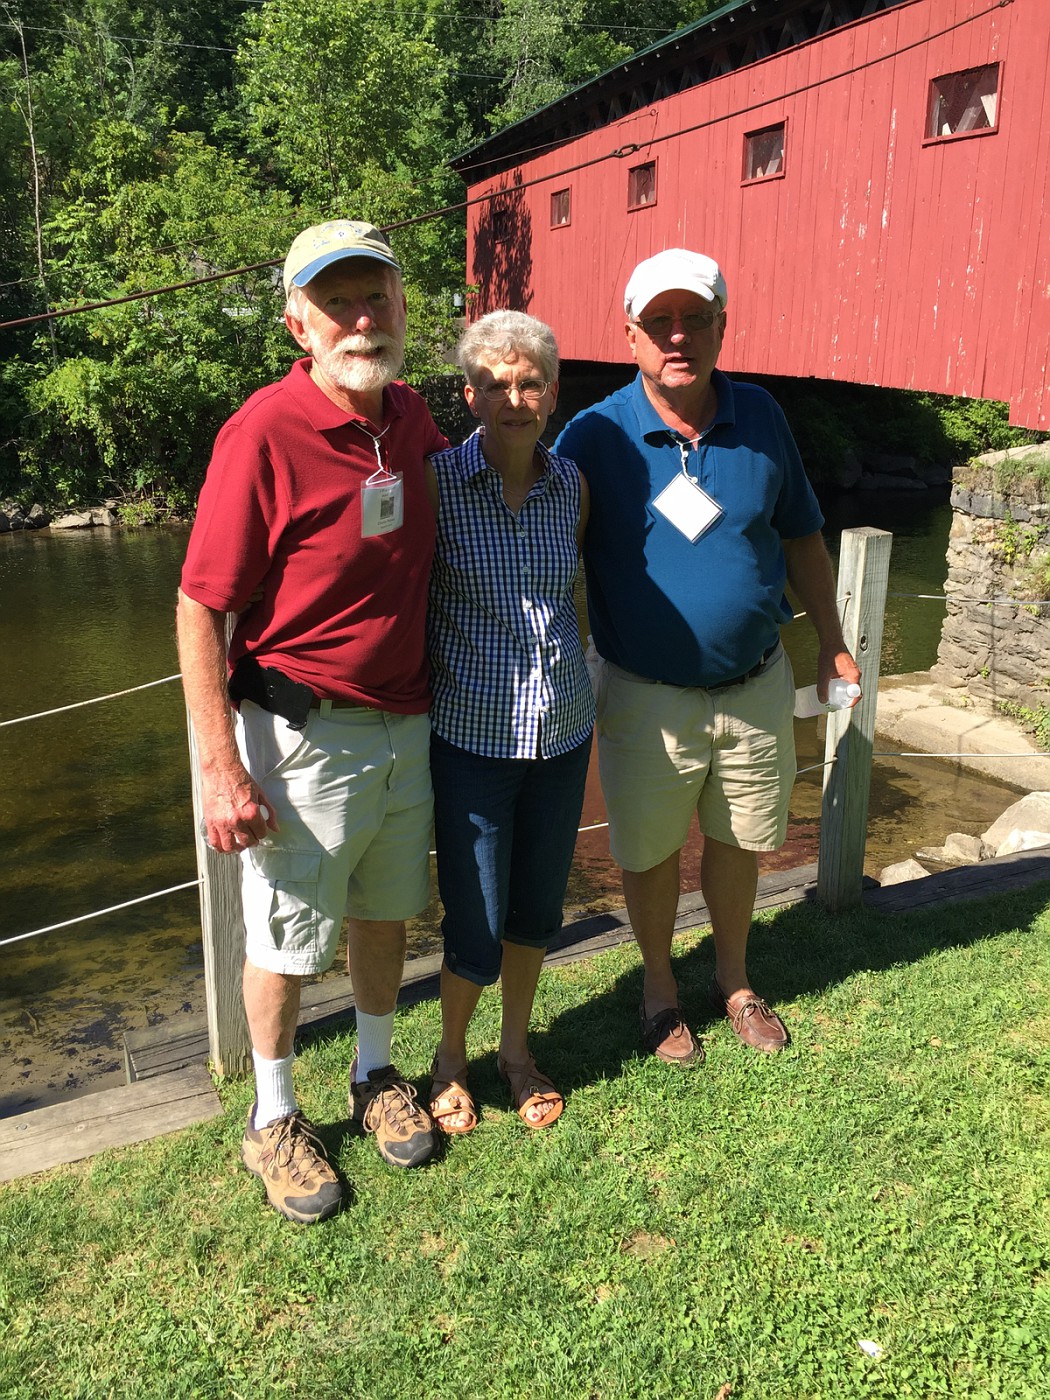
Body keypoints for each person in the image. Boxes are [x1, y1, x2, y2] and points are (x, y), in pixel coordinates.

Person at [176, 219, 447, 1224]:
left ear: (403, 310)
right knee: (289, 939)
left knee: (385, 909)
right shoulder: (263, 432)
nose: (361, 318)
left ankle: (376, 1073)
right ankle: (274, 1115)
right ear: (300, 320)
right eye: (338, 302)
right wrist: (218, 761)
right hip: (300, 736)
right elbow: (201, 604)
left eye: (377, 296)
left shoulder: (413, 421)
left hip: (404, 723)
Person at [555, 248, 860, 1064]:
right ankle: (659, 990)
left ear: (724, 327)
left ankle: (734, 981)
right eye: (660, 322)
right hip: (643, 692)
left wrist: (832, 642)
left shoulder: (761, 417)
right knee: (649, 850)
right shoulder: (592, 436)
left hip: (757, 681)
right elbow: (543, 555)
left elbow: (801, 535)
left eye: (696, 319)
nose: (678, 337)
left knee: (740, 839)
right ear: (630, 336)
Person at [425, 310, 594, 1135]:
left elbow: (574, 602)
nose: (515, 398)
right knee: (478, 917)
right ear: (470, 395)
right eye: (496, 384)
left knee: (535, 911)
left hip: (562, 736)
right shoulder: (434, 486)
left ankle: (515, 1051)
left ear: (553, 393)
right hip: (473, 742)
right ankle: (450, 1057)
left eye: (530, 382)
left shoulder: (572, 487)